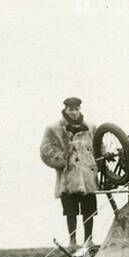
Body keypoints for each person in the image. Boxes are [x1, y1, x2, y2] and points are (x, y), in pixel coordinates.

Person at [40, 97, 99, 248]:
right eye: (71, 109)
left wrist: (99, 163)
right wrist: (61, 160)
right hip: (68, 175)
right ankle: (72, 240)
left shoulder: (91, 127)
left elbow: (100, 147)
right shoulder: (54, 128)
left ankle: (88, 240)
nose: (74, 112)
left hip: (87, 175)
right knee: (70, 210)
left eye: (76, 109)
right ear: (65, 109)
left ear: (80, 109)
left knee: (89, 210)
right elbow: (46, 149)